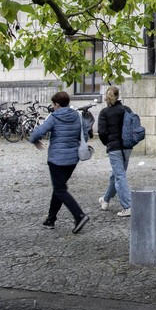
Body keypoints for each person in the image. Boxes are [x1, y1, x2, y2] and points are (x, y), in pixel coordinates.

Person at [28, 91, 89, 233]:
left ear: (57, 104)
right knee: (59, 188)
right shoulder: (77, 116)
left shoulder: (54, 117)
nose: (52, 107)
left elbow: (37, 133)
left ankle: (79, 215)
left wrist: (35, 140)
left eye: (53, 104)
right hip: (72, 159)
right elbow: (85, 135)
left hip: (56, 160)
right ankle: (51, 219)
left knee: (60, 189)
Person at [96, 86, 132, 217]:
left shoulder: (105, 112)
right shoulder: (126, 109)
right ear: (118, 96)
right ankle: (105, 200)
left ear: (106, 98)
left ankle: (128, 206)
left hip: (114, 148)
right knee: (116, 174)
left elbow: (102, 133)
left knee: (119, 176)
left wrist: (108, 143)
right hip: (127, 147)